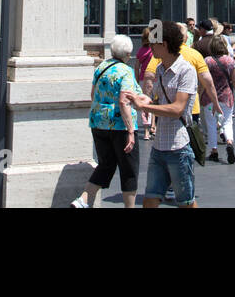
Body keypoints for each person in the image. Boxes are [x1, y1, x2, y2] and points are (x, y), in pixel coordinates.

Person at [131, 20, 198, 208]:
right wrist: (141, 100)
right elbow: (158, 101)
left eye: (153, 44)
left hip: (179, 147)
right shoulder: (160, 69)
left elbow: (177, 109)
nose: (150, 47)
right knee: (150, 200)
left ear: (164, 44)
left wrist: (145, 108)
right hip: (159, 147)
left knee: (186, 202)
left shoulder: (186, 71)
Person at [71, 35, 139, 208]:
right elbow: (124, 101)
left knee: (106, 164)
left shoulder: (101, 67)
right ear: (128, 53)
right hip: (120, 125)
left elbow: (93, 94)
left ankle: (83, 200)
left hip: (98, 122)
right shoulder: (126, 71)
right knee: (129, 170)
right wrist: (131, 130)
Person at [205, 36, 235, 163]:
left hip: (210, 97)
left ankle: (214, 150)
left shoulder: (208, 61)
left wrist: (198, 93)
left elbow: (203, 80)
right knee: (227, 121)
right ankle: (229, 142)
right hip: (227, 96)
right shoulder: (230, 61)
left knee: (211, 124)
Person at [135, 27, 156, 138]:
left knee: (146, 104)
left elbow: (137, 67)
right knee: (154, 103)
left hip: (144, 79)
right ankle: (153, 125)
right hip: (156, 79)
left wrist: (137, 81)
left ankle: (147, 130)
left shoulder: (141, 51)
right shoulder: (156, 49)